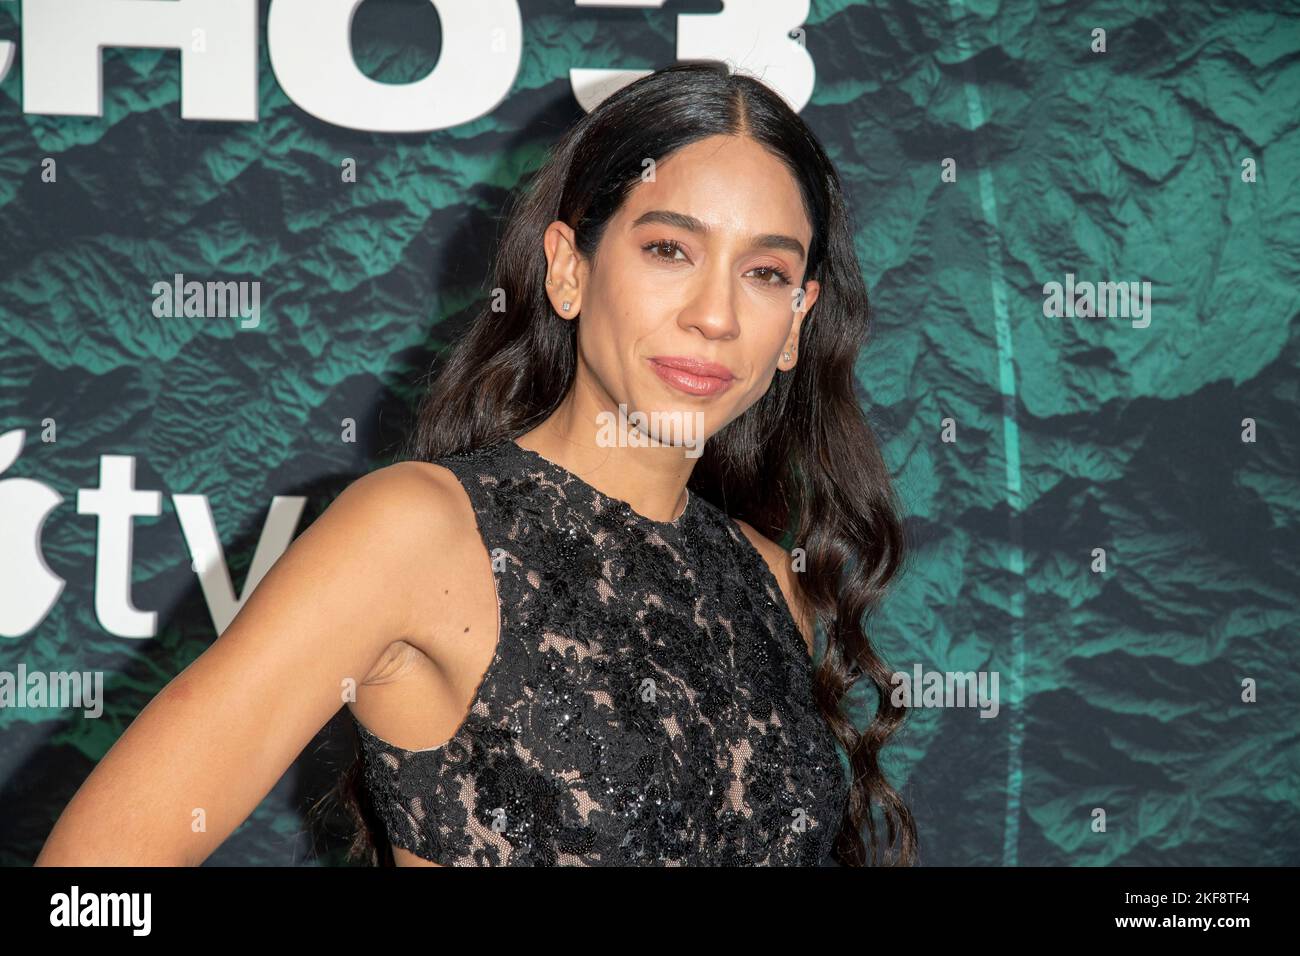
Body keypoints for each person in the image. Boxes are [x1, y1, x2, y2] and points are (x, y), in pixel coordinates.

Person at [36, 61, 916, 868]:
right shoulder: (418, 531)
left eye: (764, 273)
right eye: (668, 250)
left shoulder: (772, 582)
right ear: (569, 271)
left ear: (798, 322)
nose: (715, 316)